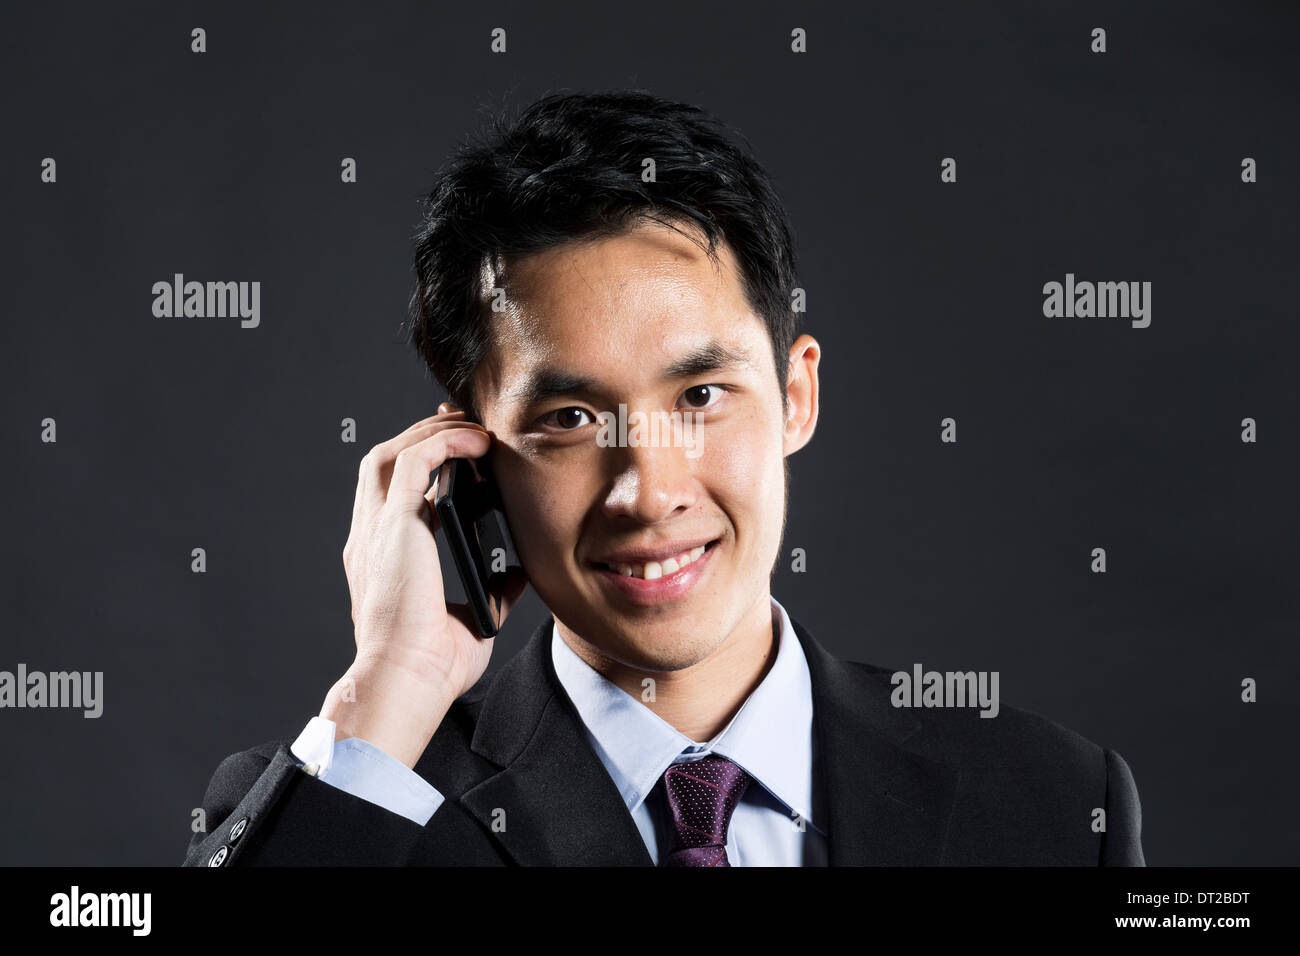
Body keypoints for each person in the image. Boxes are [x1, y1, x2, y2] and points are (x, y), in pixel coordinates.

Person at [183, 90, 1144, 867]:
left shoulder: (1050, 802)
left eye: (701, 394)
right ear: (469, 460)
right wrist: (393, 684)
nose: (647, 491)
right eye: (568, 420)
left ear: (796, 395)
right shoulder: (357, 798)